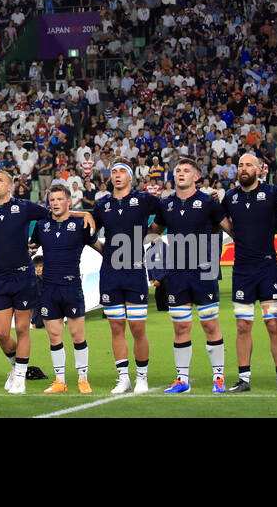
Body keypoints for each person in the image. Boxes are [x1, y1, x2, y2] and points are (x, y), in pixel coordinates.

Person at [150, 158, 227, 393]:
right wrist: (154, 261)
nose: (180, 174)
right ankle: (182, 380)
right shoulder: (166, 204)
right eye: (177, 171)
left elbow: (227, 228)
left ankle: (219, 378)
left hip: (203, 272)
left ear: (196, 176)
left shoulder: (208, 203)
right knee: (181, 327)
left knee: (210, 324)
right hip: (177, 274)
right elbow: (153, 233)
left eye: (186, 171)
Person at [0, 169, 53, 394]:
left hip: (23, 276)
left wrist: (36, 240)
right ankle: (16, 367)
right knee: (0, 332)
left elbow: (51, 215)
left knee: (21, 328)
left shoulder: (24, 207)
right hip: (0, 277)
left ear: (10, 186)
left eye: (0, 180)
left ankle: (20, 378)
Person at [220, 154, 277, 394]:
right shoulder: (230, 197)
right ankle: (243, 378)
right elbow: (222, 221)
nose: (244, 169)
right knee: (242, 326)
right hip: (242, 270)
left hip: (267, 268)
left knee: (273, 324)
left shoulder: (272, 192)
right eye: (240, 165)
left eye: (249, 165)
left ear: (259, 169)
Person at [91, 163, 161, 394]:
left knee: (137, 327)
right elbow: (88, 231)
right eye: (114, 172)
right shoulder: (102, 205)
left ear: (131, 177)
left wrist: (149, 236)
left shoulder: (143, 199)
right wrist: (106, 250)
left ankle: (142, 377)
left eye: (122, 172)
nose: (117, 175)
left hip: (134, 272)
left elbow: (164, 215)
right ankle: (123, 378)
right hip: (110, 273)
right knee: (116, 327)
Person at [30, 184, 95, 394]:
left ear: (69, 202)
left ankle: (83, 379)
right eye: (52, 200)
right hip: (48, 289)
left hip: (71, 287)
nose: (56, 203)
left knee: (77, 335)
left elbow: (97, 243)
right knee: (54, 336)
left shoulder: (80, 224)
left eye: (60, 199)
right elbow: (31, 247)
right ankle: (60, 381)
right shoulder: (42, 226)